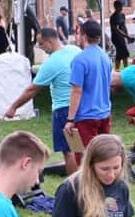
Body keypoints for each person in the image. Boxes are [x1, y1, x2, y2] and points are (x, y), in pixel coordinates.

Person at [5, 28, 82, 175]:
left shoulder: (52, 62)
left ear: (50, 41)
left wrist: (13, 107)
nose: (40, 48)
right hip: (81, 106)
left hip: (64, 110)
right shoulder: (75, 50)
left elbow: (32, 89)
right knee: (80, 149)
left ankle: (76, 187)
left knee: (69, 151)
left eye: (41, 44)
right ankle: (86, 182)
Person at [66, 20, 112, 163]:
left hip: (86, 116)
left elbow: (76, 91)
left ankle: (87, 185)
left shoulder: (80, 60)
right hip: (104, 113)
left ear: (83, 36)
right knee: (104, 156)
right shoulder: (105, 57)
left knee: (85, 159)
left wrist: (70, 119)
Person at [110, 0, 131, 70]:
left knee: (123, 54)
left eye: (122, 5)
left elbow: (124, 26)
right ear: (116, 7)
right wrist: (127, 36)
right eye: (120, 6)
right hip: (116, 38)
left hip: (122, 37)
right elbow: (116, 29)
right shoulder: (113, 17)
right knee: (121, 54)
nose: (122, 7)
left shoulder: (122, 15)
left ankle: (124, 69)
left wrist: (127, 35)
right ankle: (119, 69)